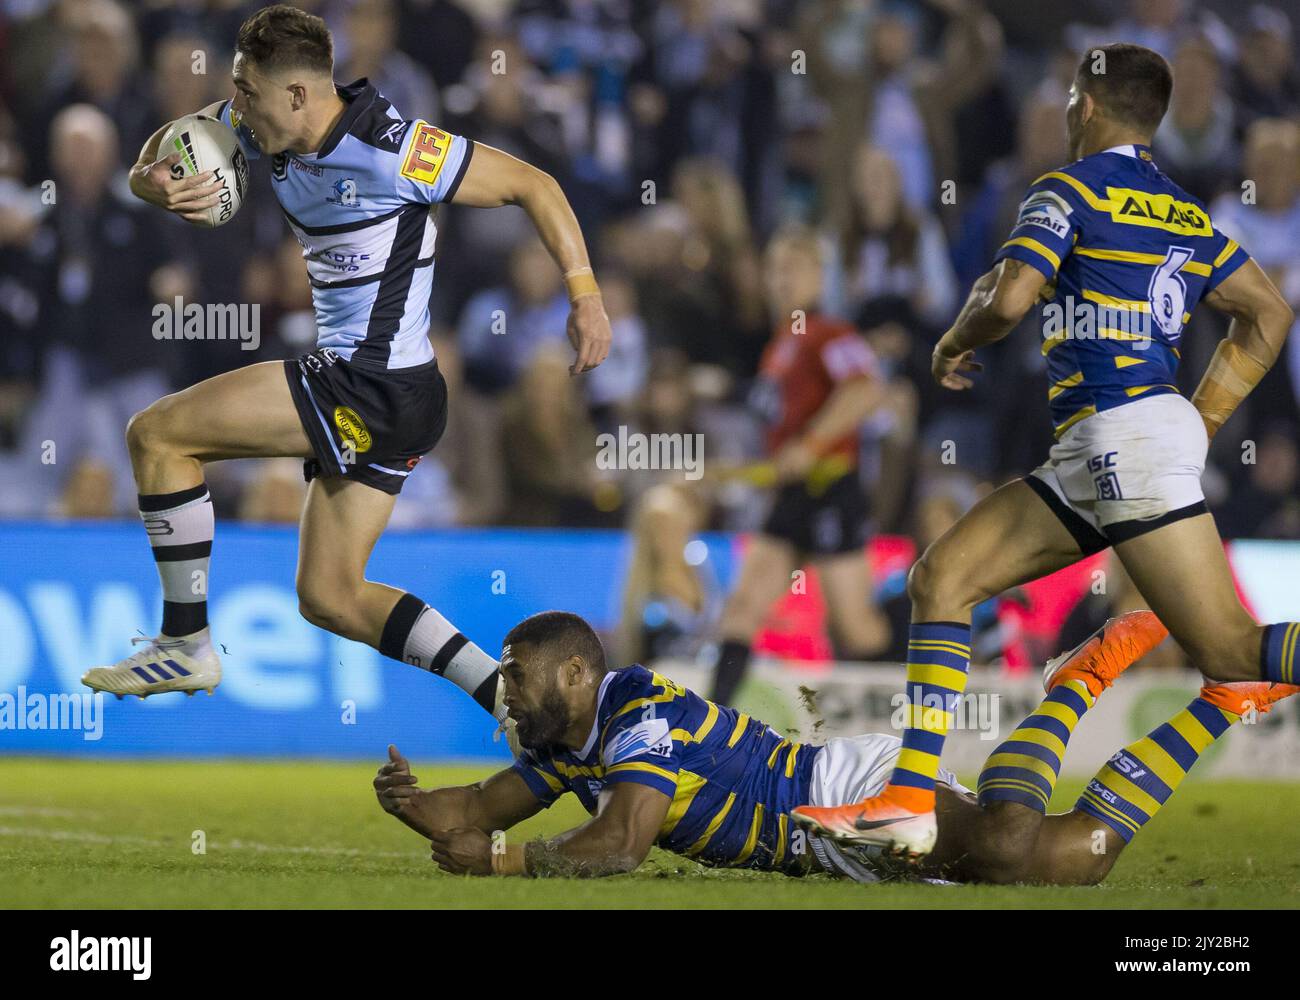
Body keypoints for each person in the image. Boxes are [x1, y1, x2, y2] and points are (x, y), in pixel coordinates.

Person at [791, 42, 1298, 857]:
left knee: (1236, 654)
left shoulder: (1062, 189)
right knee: (942, 577)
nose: (1066, 110)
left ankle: (916, 795)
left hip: (1121, 439)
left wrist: (953, 341)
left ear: (1088, 105)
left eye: (1070, 96)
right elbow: (1268, 315)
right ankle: (908, 801)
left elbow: (1013, 297)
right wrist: (1199, 420)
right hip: (1100, 448)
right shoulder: (1184, 212)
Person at [80, 5, 612, 721]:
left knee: (157, 434)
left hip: (366, 382)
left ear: (297, 94)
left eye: (248, 93)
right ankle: (505, 698)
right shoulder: (259, 123)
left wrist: (585, 297)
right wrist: (155, 184)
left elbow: (534, 185)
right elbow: (168, 144)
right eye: (236, 91)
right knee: (330, 596)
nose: (236, 107)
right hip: (399, 393)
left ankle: (184, 642)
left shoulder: (395, 147)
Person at [373, 608, 1296, 883]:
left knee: (1033, 849)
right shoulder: (565, 746)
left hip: (838, 790)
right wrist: (415, 805)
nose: (509, 690)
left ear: (576, 676)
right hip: (824, 847)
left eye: (520, 674)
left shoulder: (640, 714)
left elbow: (621, 846)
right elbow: (477, 811)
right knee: (1064, 857)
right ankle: (1215, 699)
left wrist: (499, 867)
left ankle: (1084, 685)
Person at [708, 224, 889, 707]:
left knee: (855, 627)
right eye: (776, 268)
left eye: (795, 267)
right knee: (743, 607)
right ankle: (707, 730)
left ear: (819, 275)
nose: (782, 278)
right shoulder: (779, 344)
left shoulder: (831, 332)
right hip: (792, 495)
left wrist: (811, 445)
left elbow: (868, 389)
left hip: (832, 487)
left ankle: (903, 729)